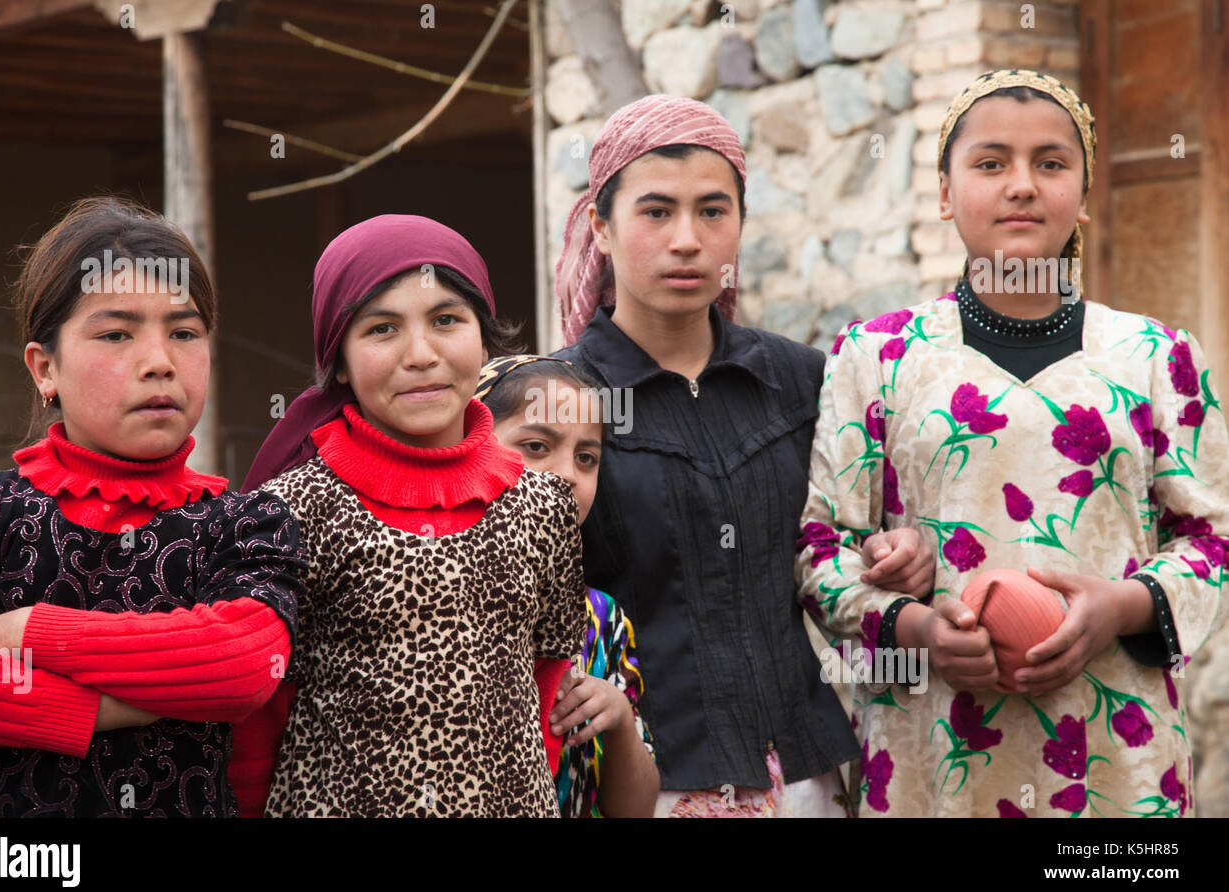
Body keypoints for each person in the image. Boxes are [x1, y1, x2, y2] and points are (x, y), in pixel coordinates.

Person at [797, 69, 1229, 817]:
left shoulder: (1157, 355)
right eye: (990, 163)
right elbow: (820, 544)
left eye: (1051, 163)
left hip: (1116, 767)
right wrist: (919, 628)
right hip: (931, 760)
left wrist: (1122, 605)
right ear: (943, 193)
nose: (1022, 185)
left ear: (1085, 198)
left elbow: (1213, 536)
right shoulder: (877, 356)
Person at [554, 95, 933, 817]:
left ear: (741, 223)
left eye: (713, 211)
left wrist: (901, 551)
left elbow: (851, 540)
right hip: (639, 784)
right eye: (656, 212)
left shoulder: (802, 380)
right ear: (600, 227)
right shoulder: (559, 403)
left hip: (803, 776)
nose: (688, 240)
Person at [0, 196, 302, 817]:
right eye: (116, 334)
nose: (160, 363)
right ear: (44, 367)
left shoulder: (247, 525)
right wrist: (96, 708)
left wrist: (26, 633)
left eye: (184, 333)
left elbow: (241, 666)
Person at [231, 215, 586, 817]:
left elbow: (545, 681)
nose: (420, 355)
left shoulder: (545, 505)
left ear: (484, 335)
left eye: (447, 320)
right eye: (382, 329)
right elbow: (259, 715)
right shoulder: (291, 512)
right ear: (338, 361)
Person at [477, 355, 660, 817]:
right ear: (470, 444)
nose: (567, 474)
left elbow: (633, 811)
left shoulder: (602, 620)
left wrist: (618, 718)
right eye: (537, 446)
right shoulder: (420, 587)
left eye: (587, 457)